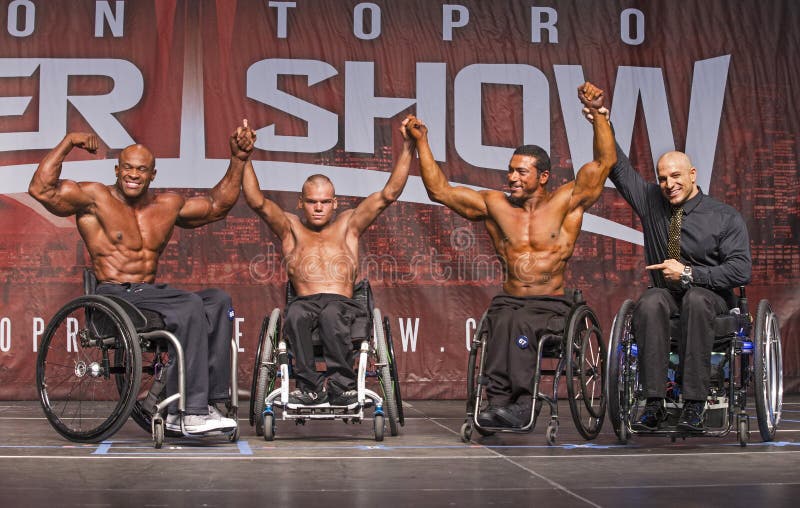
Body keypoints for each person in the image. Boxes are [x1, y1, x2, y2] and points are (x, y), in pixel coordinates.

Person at [404, 82, 616, 428]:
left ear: (543, 176)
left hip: (551, 305)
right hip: (510, 300)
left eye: (521, 172)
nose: (512, 177)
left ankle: (523, 402)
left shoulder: (566, 202)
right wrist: (421, 142)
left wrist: (596, 113)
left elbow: (605, 162)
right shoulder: (495, 205)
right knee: (501, 320)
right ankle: (498, 402)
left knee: (519, 323)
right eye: (510, 170)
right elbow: (440, 191)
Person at [28, 123, 256, 434]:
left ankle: (212, 402)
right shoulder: (95, 198)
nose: (133, 174)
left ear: (153, 175)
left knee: (218, 300)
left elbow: (217, 206)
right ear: (117, 170)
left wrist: (238, 159)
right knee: (189, 304)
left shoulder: (166, 206)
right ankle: (186, 412)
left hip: (147, 295)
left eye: (141, 169)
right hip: (113, 296)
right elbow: (41, 189)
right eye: (128, 167)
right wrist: (68, 142)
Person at [584, 108, 752, 432]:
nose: (668, 184)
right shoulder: (652, 202)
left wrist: (690, 274)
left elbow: (740, 270)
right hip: (667, 296)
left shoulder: (723, 216)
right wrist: (602, 122)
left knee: (695, 299)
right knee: (649, 302)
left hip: (711, 298)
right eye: (662, 178)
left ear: (693, 174)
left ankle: (694, 404)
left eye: (676, 176)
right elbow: (618, 167)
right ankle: (654, 402)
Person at [242, 118, 415, 407]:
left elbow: (389, 194)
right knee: (296, 315)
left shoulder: (349, 224)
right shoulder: (290, 227)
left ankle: (342, 387)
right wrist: (244, 157)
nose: (318, 207)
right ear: (301, 202)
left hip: (342, 304)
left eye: (324, 202)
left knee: (332, 314)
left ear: (335, 203)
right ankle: (310, 388)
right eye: (312, 202)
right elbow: (256, 202)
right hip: (304, 301)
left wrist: (409, 145)